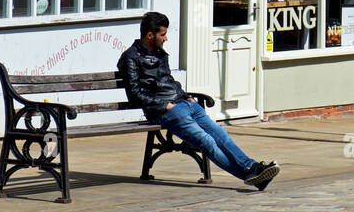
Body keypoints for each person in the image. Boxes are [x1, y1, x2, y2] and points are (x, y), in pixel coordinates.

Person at [118, 12, 278, 190]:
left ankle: (252, 168)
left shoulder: (159, 53)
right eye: (162, 34)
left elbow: (168, 80)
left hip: (184, 103)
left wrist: (186, 96)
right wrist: (165, 105)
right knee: (207, 142)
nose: (166, 38)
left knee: (220, 134)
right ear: (150, 35)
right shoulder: (130, 58)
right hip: (166, 111)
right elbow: (134, 95)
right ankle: (250, 174)